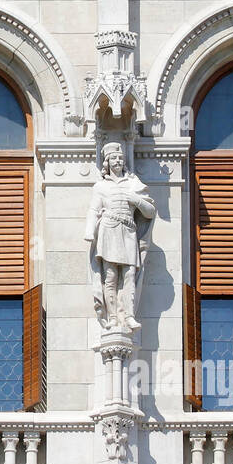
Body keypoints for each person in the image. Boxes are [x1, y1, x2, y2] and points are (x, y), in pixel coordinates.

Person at [84, 142, 155, 333]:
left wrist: (137, 200)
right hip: (108, 229)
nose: (117, 161)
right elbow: (93, 210)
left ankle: (129, 315)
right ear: (107, 162)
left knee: (130, 274)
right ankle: (113, 317)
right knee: (110, 276)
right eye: (114, 158)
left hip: (128, 231)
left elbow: (150, 212)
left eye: (120, 158)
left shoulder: (134, 183)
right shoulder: (100, 186)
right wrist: (90, 231)